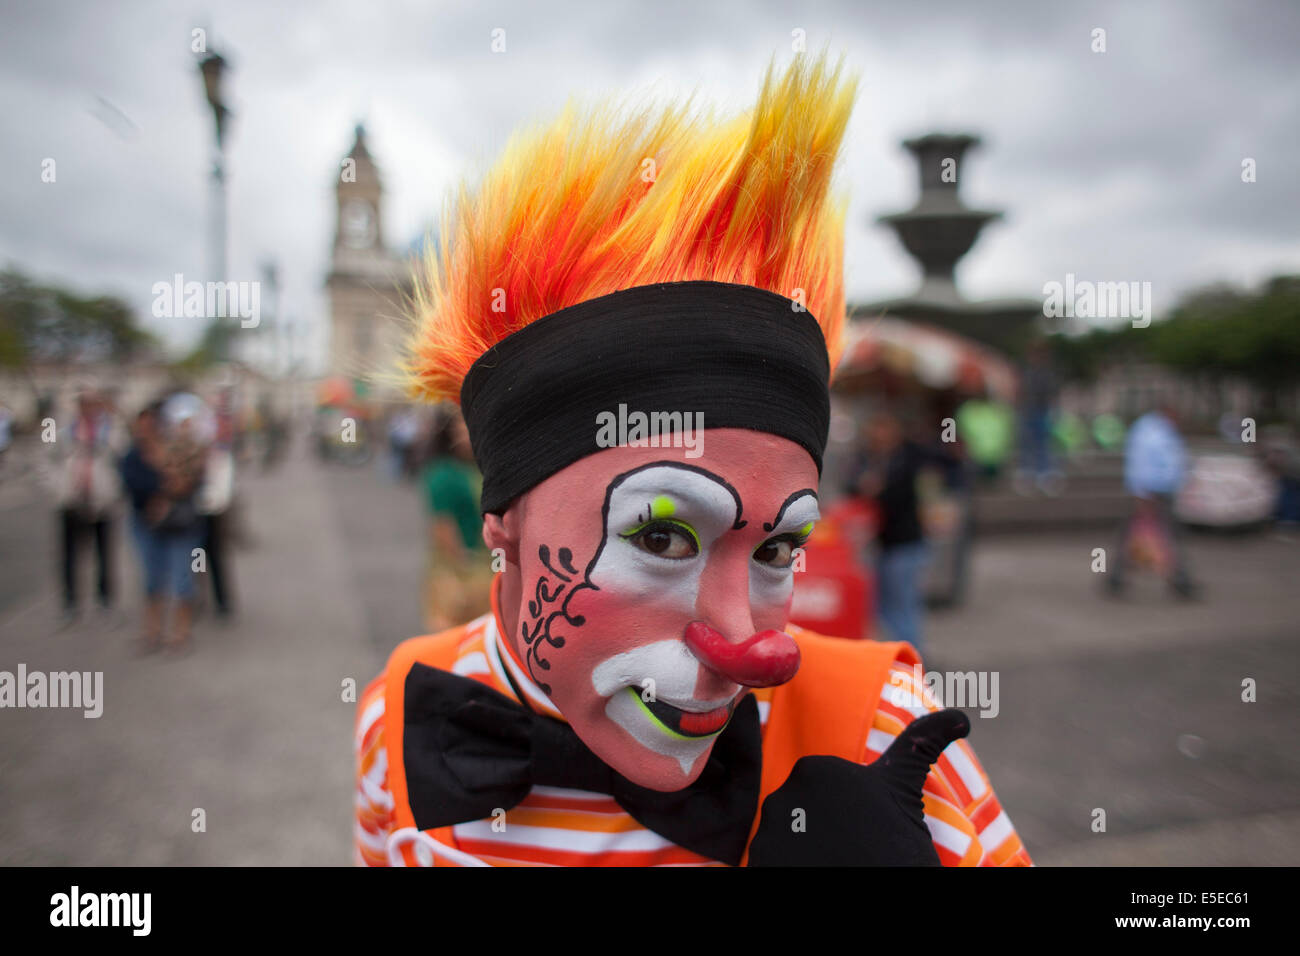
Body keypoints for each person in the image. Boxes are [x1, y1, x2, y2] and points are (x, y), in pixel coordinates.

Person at [353, 55, 1030, 867]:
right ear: (503, 522)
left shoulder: (884, 728)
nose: (753, 646)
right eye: (664, 537)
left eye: (780, 549)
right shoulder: (405, 708)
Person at [849, 412, 954, 651]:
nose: (878, 436)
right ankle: (899, 658)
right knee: (884, 609)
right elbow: (853, 487)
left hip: (906, 542)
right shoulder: (868, 458)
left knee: (904, 607)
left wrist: (877, 491)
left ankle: (912, 661)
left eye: (883, 429)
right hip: (881, 544)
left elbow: (904, 493)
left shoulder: (909, 457)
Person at [1106, 403, 1198, 598]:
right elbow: (1141, 463)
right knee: (1166, 536)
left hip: (1158, 490)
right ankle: (1180, 580)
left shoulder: (1159, 431)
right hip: (1152, 492)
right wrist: (1141, 492)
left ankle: (1116, 578)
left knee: (1139, 534)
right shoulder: (1149, 431)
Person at [50, 385, 123, 625]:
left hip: (101, 501)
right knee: (70, 555)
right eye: (84, 402)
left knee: (104, 554)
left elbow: (120, 455)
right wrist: (57, 487)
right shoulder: (61, 427)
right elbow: (46, 457)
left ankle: (105, 602)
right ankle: (71, 604)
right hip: (72, 500)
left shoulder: (109, 428)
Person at [421, 408, 490, 631]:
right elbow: (443, 526)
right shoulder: (444, 474)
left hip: (490, 568)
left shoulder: (484, 470)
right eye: (460, 428)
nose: (465, 434)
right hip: (463, 572)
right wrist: (463, 564)